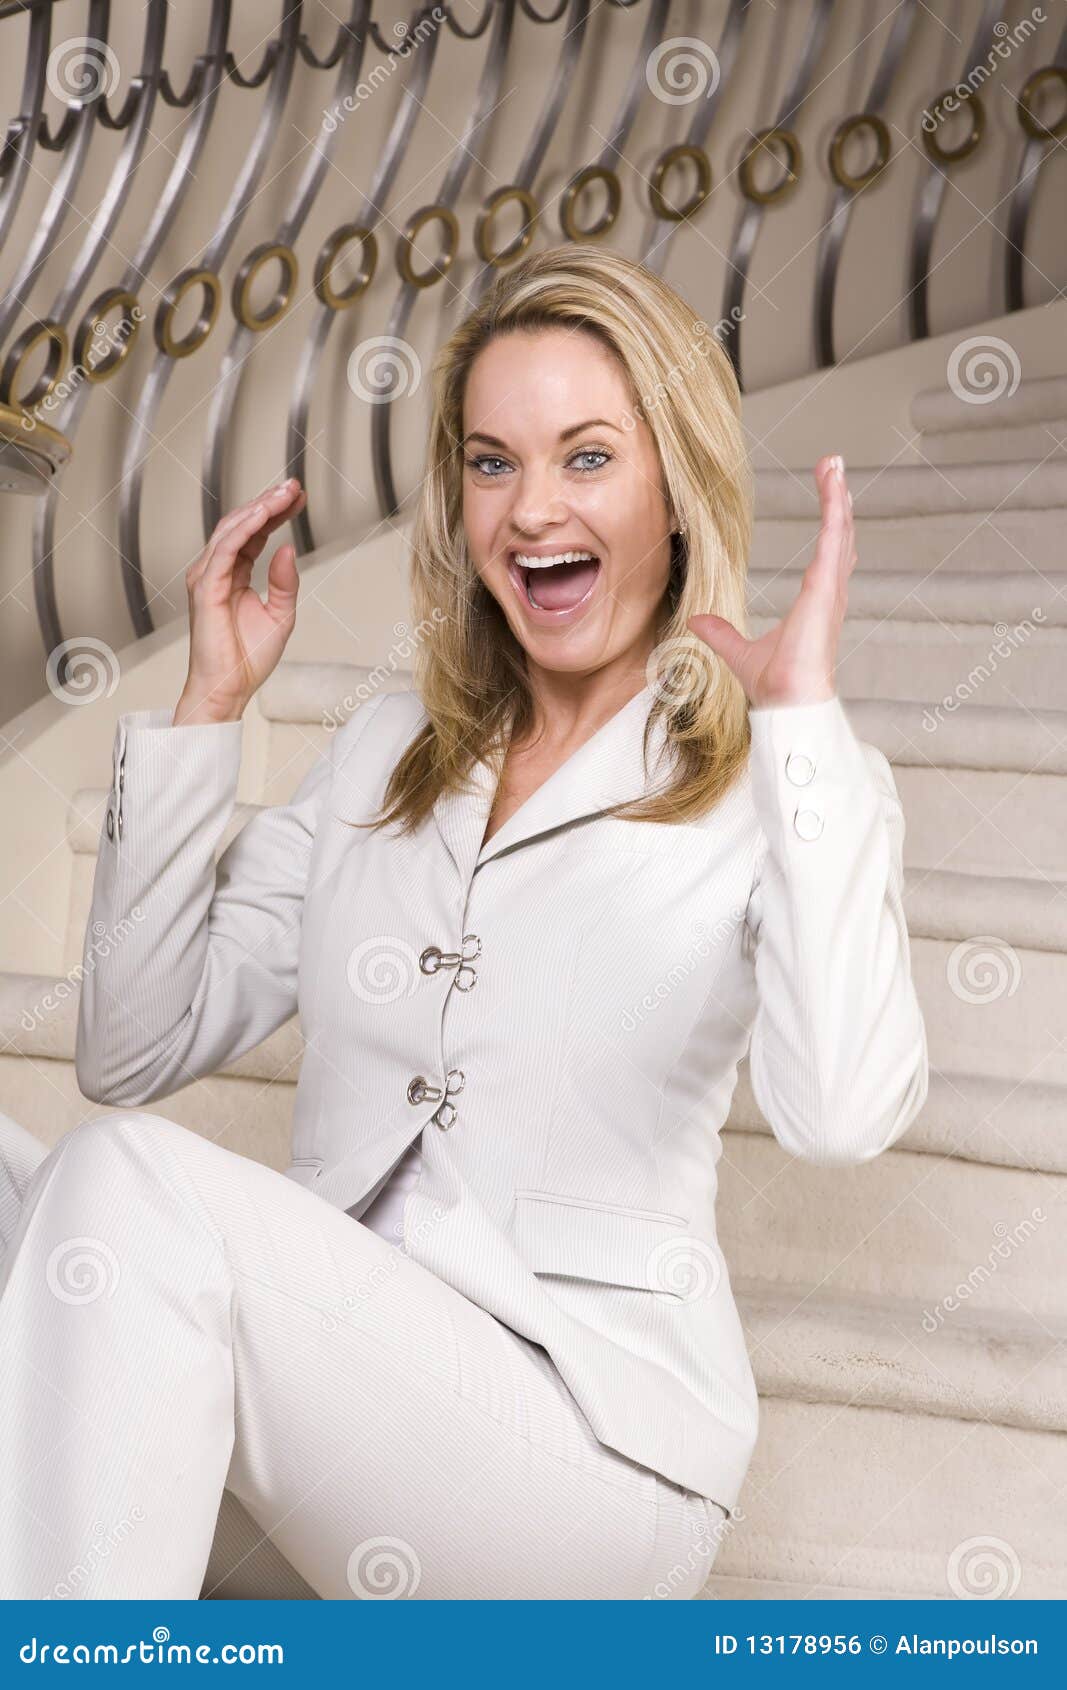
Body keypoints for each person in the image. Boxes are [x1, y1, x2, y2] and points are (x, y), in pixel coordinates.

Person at [0, 244, 927, 1600]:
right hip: (339, 1416)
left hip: (585, 1453)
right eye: (493, 461)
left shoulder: (777, 790)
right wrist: (207, 705)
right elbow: (131, 1051)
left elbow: (842, 1111)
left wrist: (802, 742)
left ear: (678, 482)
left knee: (136, 1186)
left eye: (589, 457)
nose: (532, 508)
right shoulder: (388, 753)